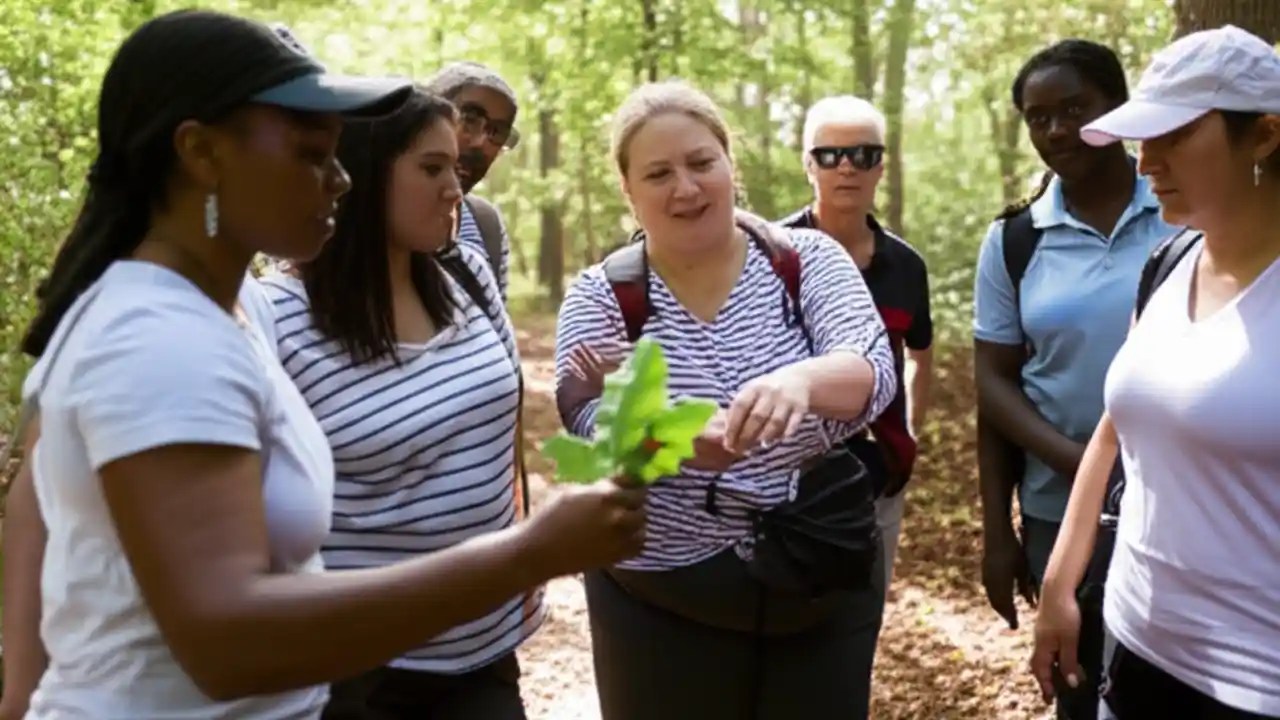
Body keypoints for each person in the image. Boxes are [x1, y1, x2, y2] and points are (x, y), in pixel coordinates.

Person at [0, 12, 645, 719]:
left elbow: (44, 513)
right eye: (312, 154)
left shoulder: (219, 309)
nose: (341, 180)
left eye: (342, 154)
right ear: (201, 153)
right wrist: (527, 553)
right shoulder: (158, 337)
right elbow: (226, 644)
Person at [555, 80, 897, 720]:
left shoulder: (807, 260)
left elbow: (872, 371)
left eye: (700, 163)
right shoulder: (603, 297)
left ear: (729, 165)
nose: (685, 189)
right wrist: (675, 439)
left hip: (817, 574)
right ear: (628, 190)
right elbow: (585, 422)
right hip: (657, 595)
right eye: (658, 173)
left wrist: (800, 381)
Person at [258, 88, 538, 719]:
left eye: (456, 171)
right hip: (361, 671)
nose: (455, 189)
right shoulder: (275, 316)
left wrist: (518, 546)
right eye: (431, 169)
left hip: (486, 650)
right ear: (358, 172)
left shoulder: (464, 273)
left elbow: (501, 418)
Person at [1031, 25, 1280, 720]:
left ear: (1262, 135)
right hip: (1135, 648)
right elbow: (1118, 430)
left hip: (1256, 682)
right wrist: (1059, 585)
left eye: (1173, 136)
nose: (1146, 163)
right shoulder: (1169, 266)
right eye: (1143, 137)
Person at [972, 39, 1180, 720]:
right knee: (1078, 689)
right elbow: (995, 384)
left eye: (1075, 109)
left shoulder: (1185, 213)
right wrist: (1000, 534)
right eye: (1038, 118)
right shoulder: (1015, 240)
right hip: (1057, 512)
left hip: (1185, 502)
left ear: (1119, 109)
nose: (1057, 130)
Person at [780, 94, 934, 595]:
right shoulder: (767, 254)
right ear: (808, 166)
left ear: (880, 167)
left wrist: (908, 435)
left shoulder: (906, 267)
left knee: (864, 614)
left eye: (862, 155)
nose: (846, 167)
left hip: (880, 477)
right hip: (785, 478)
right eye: (830, 155)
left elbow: (919, 356)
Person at [424, 62, 519, 300]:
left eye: (497, 132)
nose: (481, 143)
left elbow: (498, 334)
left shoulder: (487, 227)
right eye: (468, 119)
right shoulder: (367, 218)